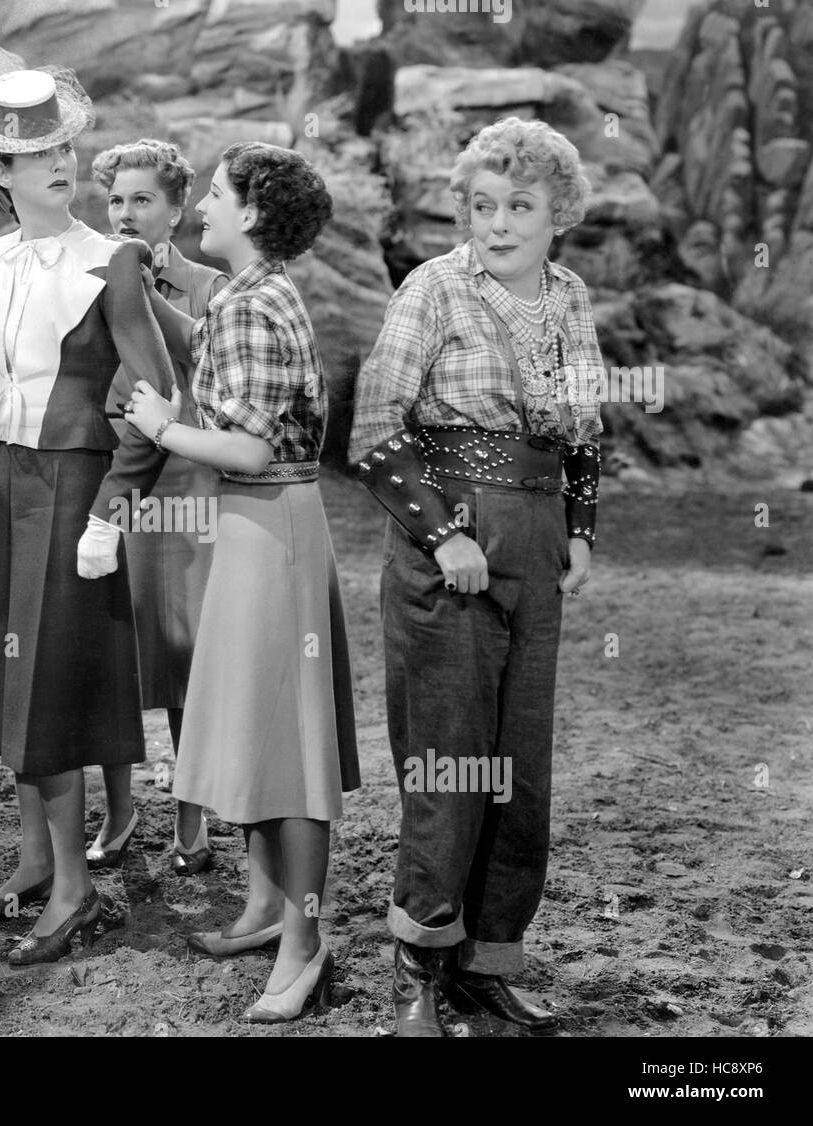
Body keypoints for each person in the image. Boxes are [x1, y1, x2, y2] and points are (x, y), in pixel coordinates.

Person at [0, 46, 176, 966]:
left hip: (72, 490)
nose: (60, 162)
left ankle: (75, 888)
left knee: (49, 683)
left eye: (65, 144)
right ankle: (34, 861)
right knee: (0, 669)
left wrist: (113, 506)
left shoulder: (118, 261)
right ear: (1, 170)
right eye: (35, 153)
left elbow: (154, 395)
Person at [347, 116, 602, 1036]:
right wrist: (446, 535)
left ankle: (490, 962)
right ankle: (423, 968)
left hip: (535, 547)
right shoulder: (433, 290)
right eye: (483, 205)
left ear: (558, 214)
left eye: (520, 207)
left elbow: (582, 431)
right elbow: (375, 430)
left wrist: (579, 529)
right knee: (451, 762)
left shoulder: (570, 298)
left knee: (517, 766)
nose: (497, 225)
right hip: (446, 544)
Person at [126, 142, 360, 1022]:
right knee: (261, 731)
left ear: (254, 214)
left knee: (289, 752)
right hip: (250, 525)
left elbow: (251, 446)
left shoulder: (258, 306)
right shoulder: (240, 296)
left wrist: (163, 426)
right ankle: (266, 909)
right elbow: (208, 341)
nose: (202, 207)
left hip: (271, 524)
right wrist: (141, 287)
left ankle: (304, 945)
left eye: (218, 194)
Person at [86, 138, 228, 876]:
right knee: (111, 654)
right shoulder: (89, 278)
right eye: (115, 199)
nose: (126, 212)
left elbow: (210, 389)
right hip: (104, 482)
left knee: (179, 652)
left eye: (143, 199)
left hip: (181, 488)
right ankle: (118, 813)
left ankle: (191, 822)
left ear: (176, 209)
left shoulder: (209, 288)